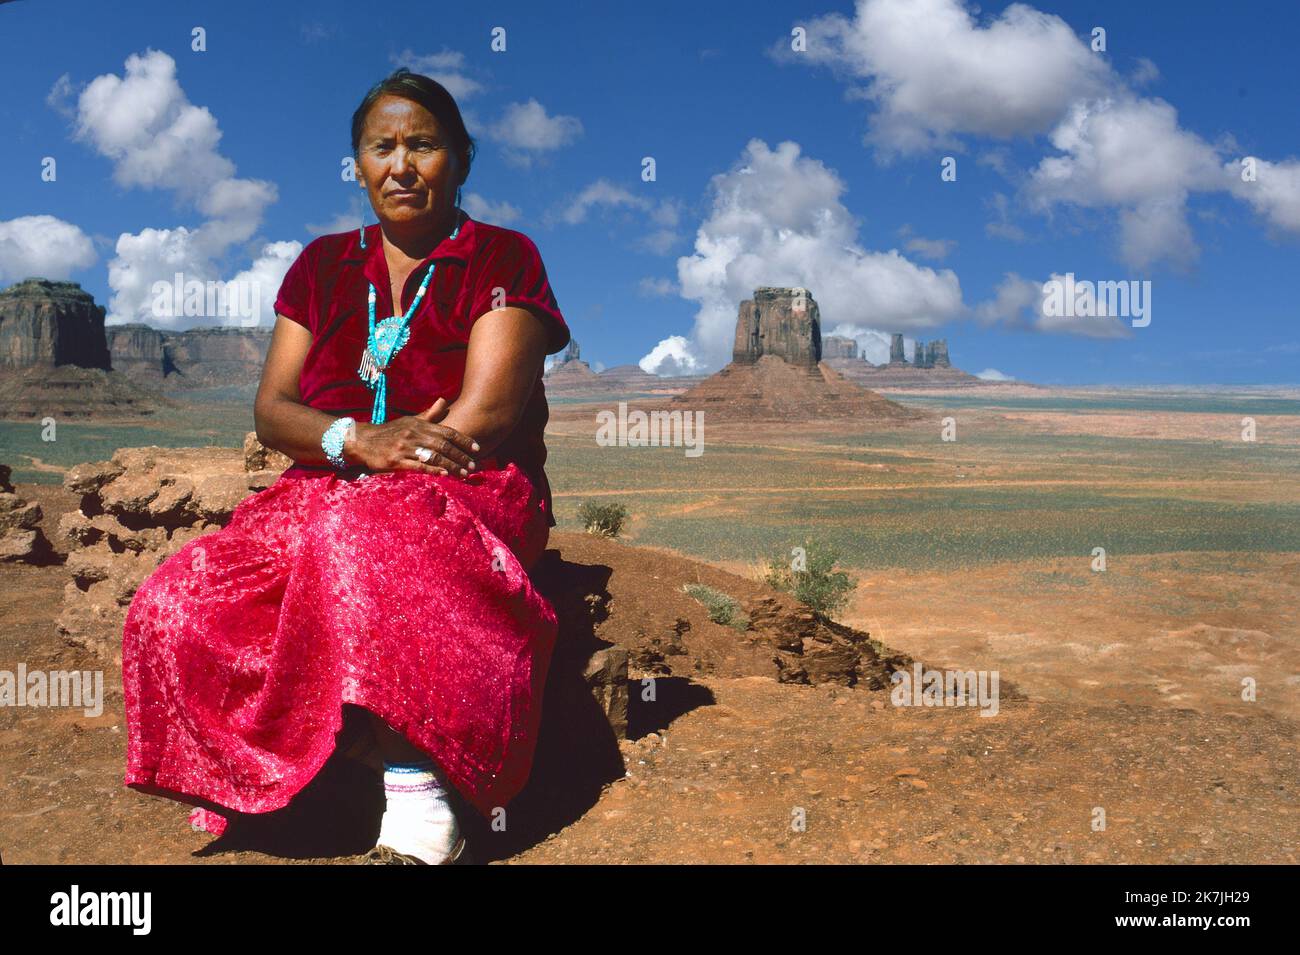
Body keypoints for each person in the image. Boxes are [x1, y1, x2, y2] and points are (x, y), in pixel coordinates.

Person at [121, 68, 571, 865]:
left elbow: (488, 414)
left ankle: (415, 790)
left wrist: (395, 467)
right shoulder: (323, 265)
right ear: (359, 165)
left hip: (466, 484)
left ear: (461, 159)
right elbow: (274, 409)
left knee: (358, 536)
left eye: (424, 144)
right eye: (382, 146)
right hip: (324, 480)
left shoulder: (503, 256)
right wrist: (353, 441)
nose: (402, 164)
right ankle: (287, 772)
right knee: (177, 601)